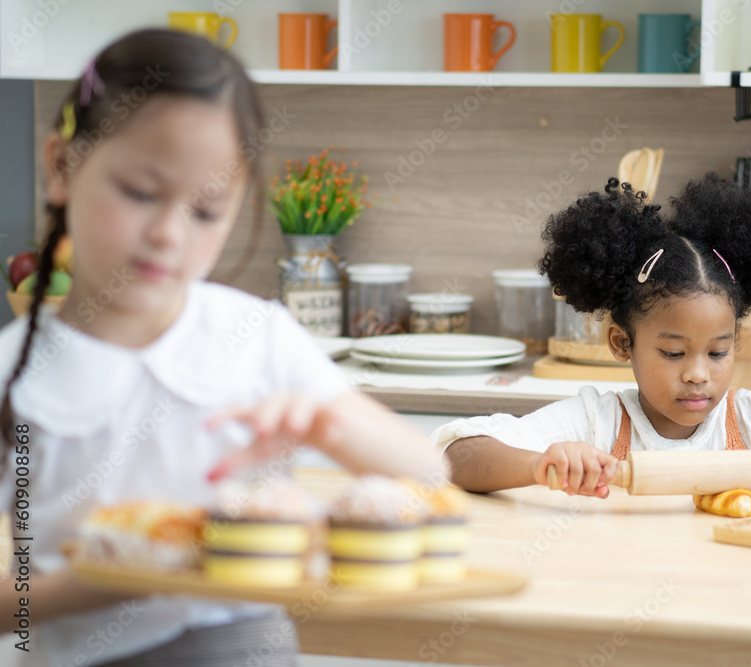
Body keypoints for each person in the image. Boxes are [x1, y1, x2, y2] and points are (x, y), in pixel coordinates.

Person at [0, 29, 446, 666]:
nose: (167, 233)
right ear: (62, 166)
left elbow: (428, 473)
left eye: (206, 210)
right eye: (139, 192)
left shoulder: (255, 336)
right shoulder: (17, 377)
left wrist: (328, 427)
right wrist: (87, 587)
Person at [435, 175, 751, 500]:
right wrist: (539, 464)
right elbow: (458, 456)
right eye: (672, 352)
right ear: (621, 344)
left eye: (718, 352)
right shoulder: (597, 421)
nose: (698, 374)